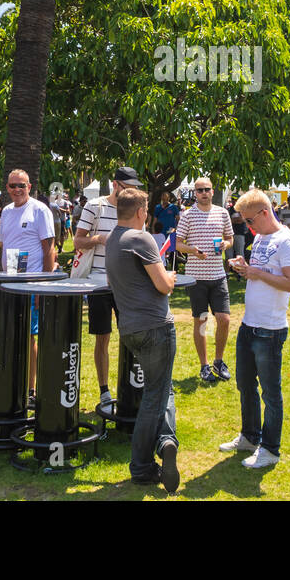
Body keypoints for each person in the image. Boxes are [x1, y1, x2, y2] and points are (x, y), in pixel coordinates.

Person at [221, 188, 290, 469]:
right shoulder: (262, 238)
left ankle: (270, 449)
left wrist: (256, 273)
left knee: (270, 392)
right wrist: (245, 267)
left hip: (270, 328)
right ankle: (249, 436)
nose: (247, 226)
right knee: (245, 384)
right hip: (250, 324)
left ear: (265, 213)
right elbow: (263, 273)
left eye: (249, 221)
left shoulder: (286, 242)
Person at [107, 187, 180, 492]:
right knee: (155, 396)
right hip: (155, 326)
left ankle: (165, 443)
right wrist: (171, 278)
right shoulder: (142, 238)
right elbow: (163, 285)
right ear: (141, 212)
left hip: (130, 328)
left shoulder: (113, 238)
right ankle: (141, 466)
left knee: (162, 389)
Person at [75, 169, 138, 406]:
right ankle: (104, 391)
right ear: (115, 184)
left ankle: (130, 388)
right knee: (102, 337)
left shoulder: (134, 208)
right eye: (126, 186)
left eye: (133, 187)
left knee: (131, 335)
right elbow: (78, 241)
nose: (130, 191)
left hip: (126, 283)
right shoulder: (95, 206)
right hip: (99, 282)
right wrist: (99, 239)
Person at [0, 168, 57, 404]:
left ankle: (31, 390)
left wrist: (43, 284)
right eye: (12, 186)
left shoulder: (40, 210)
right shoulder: (6, 211)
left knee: (31, 336)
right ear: (7, 188)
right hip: (9, 282)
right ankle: (13, 383)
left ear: (30, 187)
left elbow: (49, 249)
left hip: (32, 283)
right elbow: (5, 245)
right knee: (11, 334)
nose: (17, 190)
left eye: (21, 185)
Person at [177, 176, 236, 383]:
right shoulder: (187, 215)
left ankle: (218, 361)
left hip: (218, 275)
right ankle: (204, 366)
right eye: (199, 190)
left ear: (212, 191)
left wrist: (225, 246)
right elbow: (177, 243)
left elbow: (230, 238)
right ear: (195, 193)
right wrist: (192, 250)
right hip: (196, 278)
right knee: (201, 321)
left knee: (224, 319)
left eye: (206, 189)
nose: (203, 193)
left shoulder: (222, 213)